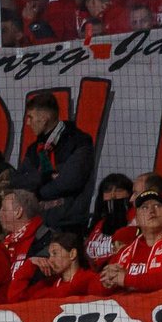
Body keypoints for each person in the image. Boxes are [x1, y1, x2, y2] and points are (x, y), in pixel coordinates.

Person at [12, 91, 95, 231]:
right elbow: (17, 181)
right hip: (38, 225)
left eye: (30, 117)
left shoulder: (79, 141)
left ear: (44, 118)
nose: (27, 123)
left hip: (68, 226)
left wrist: (36, 192)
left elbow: (69, 182)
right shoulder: (34, 149)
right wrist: (46, 176)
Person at [101, 189, 162, 293]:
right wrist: (107, 281)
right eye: (144, 207)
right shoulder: (124, 253)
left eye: (157, 206)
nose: (151, 211)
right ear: (137, 220)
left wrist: (126, 279)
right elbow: (100, 286)